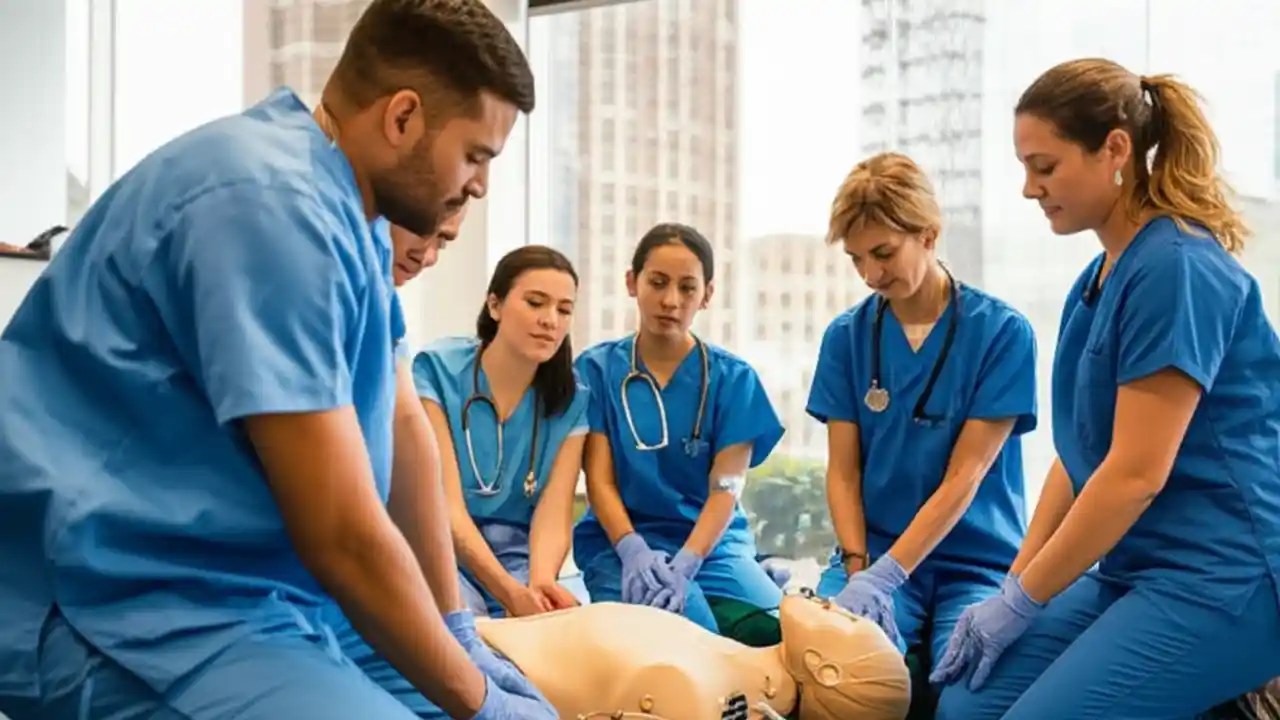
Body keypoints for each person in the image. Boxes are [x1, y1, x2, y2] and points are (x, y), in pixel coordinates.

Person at [0, 1, 557, 719]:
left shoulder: (349, 217)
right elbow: (343, 535)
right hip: (118, 598)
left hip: (265, 594)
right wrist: (479, 700)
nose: (479, 186)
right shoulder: (269, 206)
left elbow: (402, 432)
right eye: (476, 155)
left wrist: (457, 632)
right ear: (403, 117)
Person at [933, 58, 1280, 720]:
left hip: (1225, 578)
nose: (1029, 188)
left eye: (1045, 166)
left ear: (1115, 148)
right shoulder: (1097, 280)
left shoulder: (1176, 266)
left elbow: (1132, 476)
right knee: (966, 705)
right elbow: (1079, 455)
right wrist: (1013, 589)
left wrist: (1024, 602)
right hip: (1136, 570)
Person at [805, 151, 1038, 691]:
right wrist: (862, 569)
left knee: (964, 698)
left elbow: (967, 475)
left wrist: (892, 575)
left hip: (976, 562)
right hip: (874, 551)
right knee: (833, 680)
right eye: (857, 259)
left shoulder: (1001, 334)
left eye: (883, 253)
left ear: (929, 234)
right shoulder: (847, 338)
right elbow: (842, 472)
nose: (870, 274)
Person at [572, 222, 787, 644]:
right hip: (621, 543)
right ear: (632, 283)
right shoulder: (596, 371)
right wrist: (632, 549)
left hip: (713, 542)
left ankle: (752, 575)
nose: (671, 300)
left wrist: (689, 560)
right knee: (686, 641)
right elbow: (599, 481)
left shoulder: (733, 379)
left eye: (687, 288)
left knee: (779, 636)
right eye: (657, 282)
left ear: (707, 295)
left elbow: (726, 488)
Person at [413, 245, 588, 618]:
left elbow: (554, 512)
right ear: (495, 305)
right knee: (465, 630)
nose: (550, 320)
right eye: (535, 303)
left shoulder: (572, 398)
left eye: (563, 309)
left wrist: (540, 584)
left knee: (555, 634)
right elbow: (446, 509)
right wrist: (509, 594)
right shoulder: (436, 371)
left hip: (517, 555)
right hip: (440, 544)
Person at [473, 591, 912, 720]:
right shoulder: (725, 658)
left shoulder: (698, 700)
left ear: (827, 671)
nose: (833, 602)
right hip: (479, 642)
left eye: (850, 623)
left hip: (482, 680)